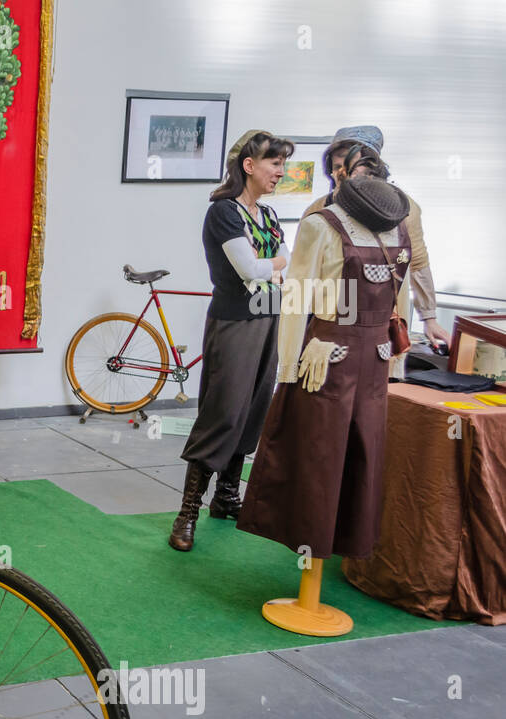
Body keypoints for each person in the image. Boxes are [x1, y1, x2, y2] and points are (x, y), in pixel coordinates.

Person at [237, 175, 412, 562]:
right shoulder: (322, 224)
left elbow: (402, 296)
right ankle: (309, 553)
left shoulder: (395, 230)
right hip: (328, 361)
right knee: (319, 458)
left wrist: (397, 360)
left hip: (370, 363)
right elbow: (297, 299)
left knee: (360, 459)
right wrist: (287, 369)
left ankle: (333, 551)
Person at [169, 130, 294, 552]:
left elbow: (273, 269)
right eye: (274, 163)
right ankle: (187, 511)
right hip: (235, 323)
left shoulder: (269, 216)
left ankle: (226, 497)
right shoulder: (223, 212)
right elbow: (251, 270)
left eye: (282, 164)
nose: (281, 172)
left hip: (268, 318)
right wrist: (275, 262)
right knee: (222, 412)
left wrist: (271, 265)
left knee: (254, 410)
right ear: (249, 165)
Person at [304, 126, 447, 349]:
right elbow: (303, 272)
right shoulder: (318, 211)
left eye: (352, 167)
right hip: (327, 320)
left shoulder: (404, 210)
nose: (344, 174)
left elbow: (416, 262)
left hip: (381, 320)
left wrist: (429, 318)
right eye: (337, 167)